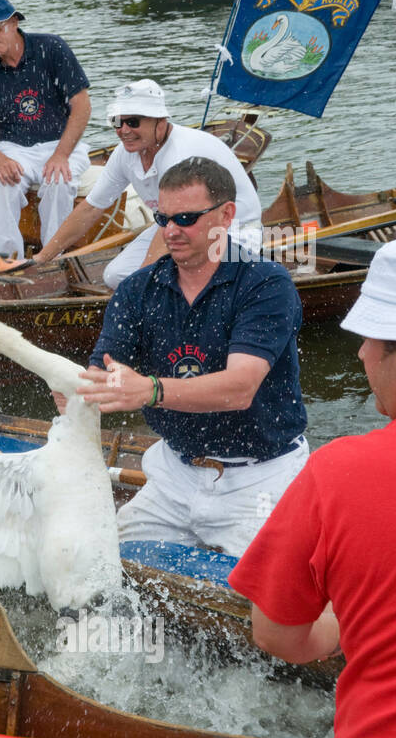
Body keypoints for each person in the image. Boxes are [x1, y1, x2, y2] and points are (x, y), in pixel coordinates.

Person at [229, 234, 396, 738]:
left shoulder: (340, 472)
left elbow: (278, 636)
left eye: (368, 340)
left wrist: (341, 620)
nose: (360, 355)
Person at [73, 157, 307, 556]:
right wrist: (77, 388)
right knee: (102, 567)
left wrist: (149, 391)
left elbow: (240, 389)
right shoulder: (136, 290)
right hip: (174, 473)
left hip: (260, 478)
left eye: (185, 218)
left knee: (265, 599)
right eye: (162, 217)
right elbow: (104, 371)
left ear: (227, 215)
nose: (171, 231)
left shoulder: (266, 284)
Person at [29, 80, 262, 289]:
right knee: (116, 276)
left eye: (133, 121)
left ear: (160, 123)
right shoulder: (124, 154)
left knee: (165, 281)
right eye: (118, 122)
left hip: (232, 228)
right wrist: (42, 257)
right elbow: (91, 208)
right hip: (174, 224)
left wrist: (142, 287)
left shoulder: (180, 155)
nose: (124, 130)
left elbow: (174, 226)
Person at [0, 0, 92, 259]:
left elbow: (82, 106)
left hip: (61, 142)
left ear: (14, 22)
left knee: (59, 181)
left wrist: (61, 155)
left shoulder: (52, 48)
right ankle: (7, 264)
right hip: (14, 148)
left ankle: (53, 259)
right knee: (1, 186)